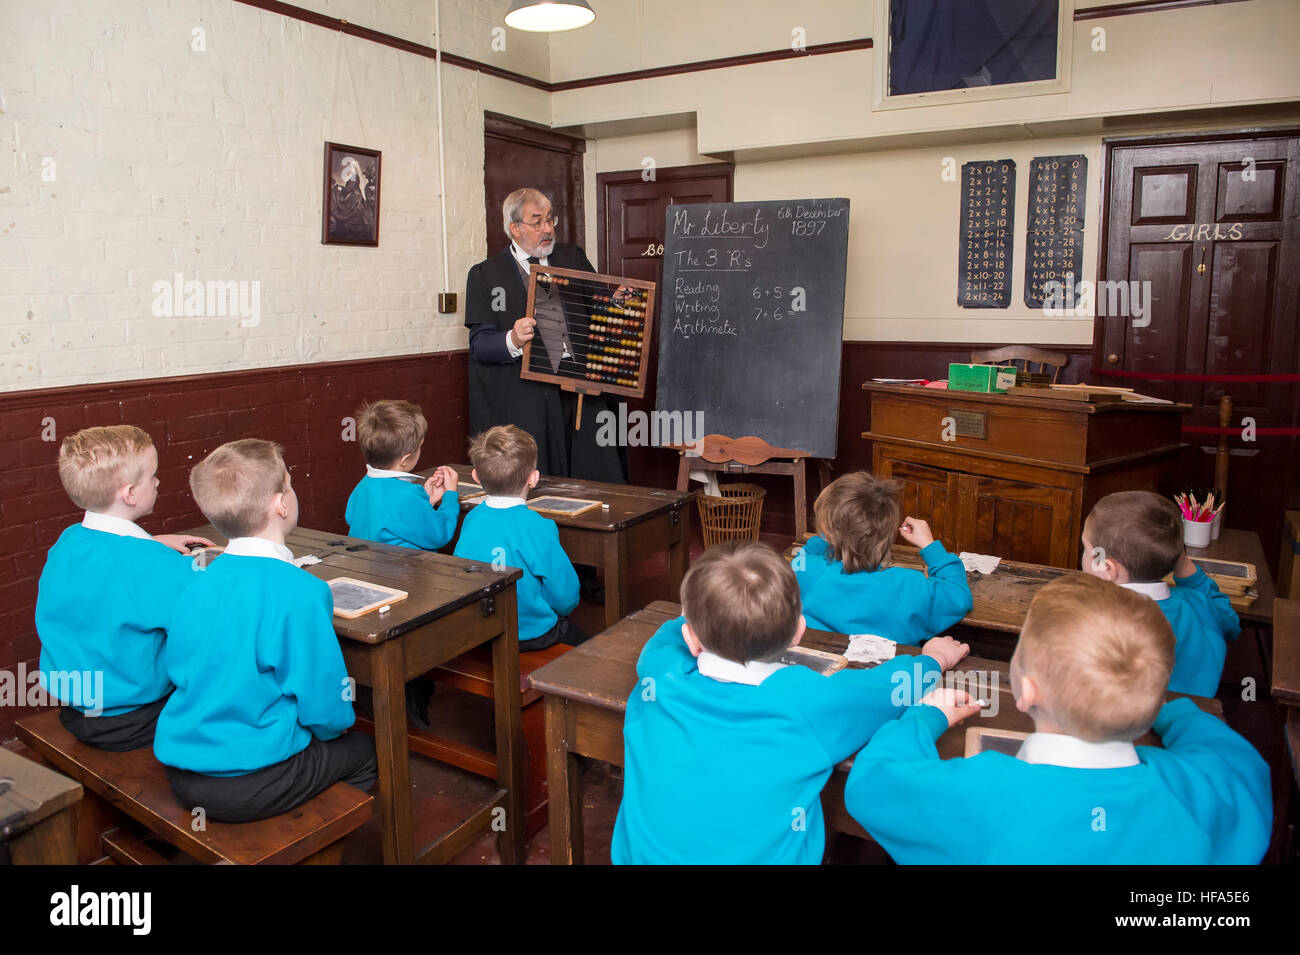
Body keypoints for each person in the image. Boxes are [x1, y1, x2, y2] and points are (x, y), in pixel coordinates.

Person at [845, 574, 1272, 864]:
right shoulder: (1193, 787)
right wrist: (1174, 709)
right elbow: (1241, 763)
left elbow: (874, 782)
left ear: (1026, 691)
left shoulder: (984, 791)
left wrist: (925, 716)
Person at [612, 540, 972, 864]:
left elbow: (668, 634)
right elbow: (888, 688)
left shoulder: (660, 674)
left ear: (691, 636)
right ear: (798, 631)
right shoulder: (806, 701)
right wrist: (933, 660)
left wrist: (707, 613)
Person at [155, 439, 376, 822]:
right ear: (281, 504)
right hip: (251, 779)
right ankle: (306, 842)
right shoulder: (301, 591)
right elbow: (324, 701)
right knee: (366, 753)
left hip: (182, 770)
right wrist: (333, 732)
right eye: (289, 484)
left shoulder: (195, 580)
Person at [35, 425, 211, 751]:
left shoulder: (67, 542)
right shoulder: (149, 564)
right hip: (133, 720)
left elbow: (111, 568)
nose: (158, 482)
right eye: (153, 476)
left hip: (76, 712)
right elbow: (207, 608)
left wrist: (152, 544)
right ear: (130, 493)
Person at [464, 187, 625, 484]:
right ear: (514, 228)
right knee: (541, 481)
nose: (547, 229)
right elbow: (480, 345)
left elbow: (600, 299)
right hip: (528, 398)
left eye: (550, 220)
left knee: (594, 478)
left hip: (579, 393)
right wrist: (512, 338)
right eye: (536, 222)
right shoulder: (485, 275)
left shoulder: (571, 257)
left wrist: (617, 299)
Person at [1081, 490, 1239, 697]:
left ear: (1106, 567)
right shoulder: (1199, 603)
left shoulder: (1095, 617)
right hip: (1194, 716)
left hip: (1125, 723)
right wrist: (1182, 562)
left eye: (1085, 547)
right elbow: (1230, 623)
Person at [794, 472, 972, 644]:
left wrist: (833, 531)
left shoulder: (807, 571)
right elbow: (958, 595)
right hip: (887, 672)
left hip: (822, 670)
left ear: (827, 530)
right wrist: (929, 544)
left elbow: (804, 554)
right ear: (889, 532)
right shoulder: (909, 586)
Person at [453, 425, 586, 651]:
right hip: (530, 634)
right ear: (533, 478)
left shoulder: (472, 518)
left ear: (475, 476)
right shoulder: (537, 527)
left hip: (478, 633)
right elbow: (566, 597)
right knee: (592, 652)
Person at [345, 399, 460, 551]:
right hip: (408, 571)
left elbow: (354, 518)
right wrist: (450, 497)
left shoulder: (362, 486)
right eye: (420, 447)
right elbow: (440, 535)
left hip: (368, 567)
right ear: (405, 459)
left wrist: (425, 501)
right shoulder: (408, 494)